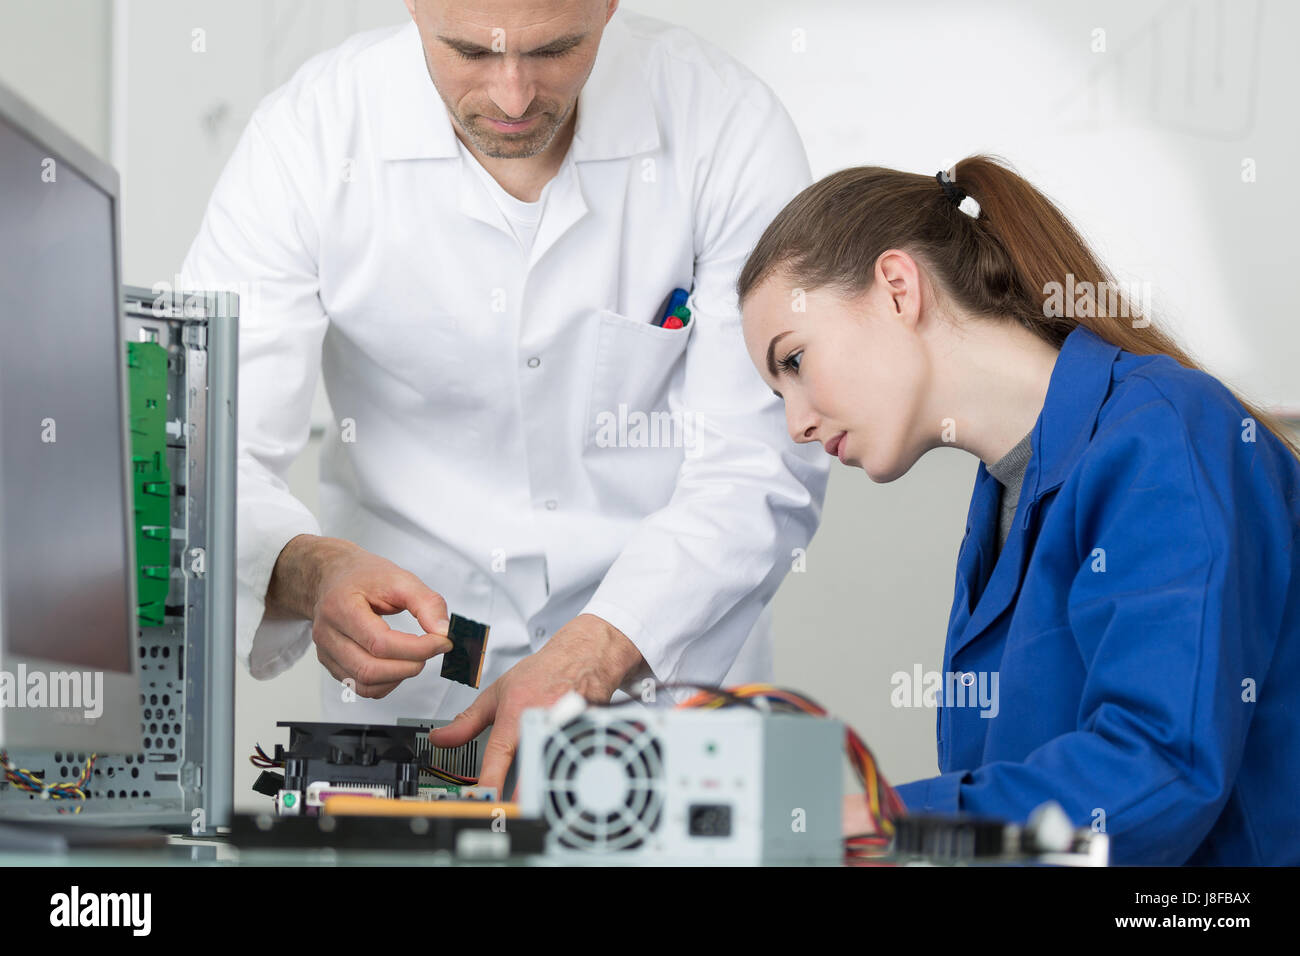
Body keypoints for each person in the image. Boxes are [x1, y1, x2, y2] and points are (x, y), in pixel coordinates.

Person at [180, 0, 828, 794]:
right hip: (417, 705)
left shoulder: (726, 126)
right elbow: (205, 450)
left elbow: (760, 460)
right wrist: (312, 570)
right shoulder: (308, 139)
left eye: (555, 50)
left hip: (662, 691)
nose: (514, 97)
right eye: (469, 54)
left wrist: (600, 648)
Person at [737, 155, 1300, 865]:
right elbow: (1018, 796)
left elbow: (1162, 766)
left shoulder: (1164, 435)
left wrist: (878, 826)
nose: (796, 424)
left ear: (897, 288)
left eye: (793, 362)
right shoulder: (1002, 499)